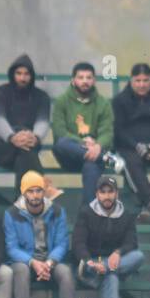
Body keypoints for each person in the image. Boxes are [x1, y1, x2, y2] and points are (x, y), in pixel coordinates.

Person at [4, 170, 75, 298]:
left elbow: (62, 243)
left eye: (38, 190)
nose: (35, 195)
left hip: (50, 260)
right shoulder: (12, 213)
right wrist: (33, 262)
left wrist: (49, 263)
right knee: (20, 270)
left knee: (65, 272)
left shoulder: (57, 211)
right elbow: (11, 247)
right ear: (24, 193)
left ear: (44, 192)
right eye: (30, 191)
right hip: (26, 260)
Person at [73, 174, 144, 298]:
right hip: (91, 265)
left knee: (138, 256)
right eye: (103, 192)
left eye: (110, 192)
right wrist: (89, 262)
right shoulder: (86, 212)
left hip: (115, 263)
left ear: (116, 194)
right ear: (97, 194)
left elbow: (132, 242)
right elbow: (78, 243)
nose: (107, 196)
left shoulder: (126, 215)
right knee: (111, 278)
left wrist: (118, 253)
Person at [51, 62, 121, 204]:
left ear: (94, 80)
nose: (85, 81)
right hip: (70, 155)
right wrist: (83, 142)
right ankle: (106, 158)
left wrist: (98, 146)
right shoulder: (62, 101)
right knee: (61, 143)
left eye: (88, 78)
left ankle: (89, 213)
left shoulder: (103, 103)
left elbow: (107, 132)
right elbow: (59, 132)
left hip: (95, 155)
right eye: (81, 77)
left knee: (91, 165)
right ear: (73, 80)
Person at [111, 62, 150, 219]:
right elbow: (119, 130)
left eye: (145, 80)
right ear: (131, 81)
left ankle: (149, 205)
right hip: (130, 147)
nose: (142, 84)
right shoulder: (119, 101)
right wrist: (137, 146)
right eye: (138, 81)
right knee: (131, 164)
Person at [0, 54, 50, 183]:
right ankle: (41, 190)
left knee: (24, 156)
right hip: (3, 146)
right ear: (12, 74)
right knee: (27, 153)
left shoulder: (41, 97)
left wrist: (35, 137)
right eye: (19, 73)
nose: (22, 78)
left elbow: (42, 123)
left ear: (31, 75)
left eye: (26, 74)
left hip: (30, 144)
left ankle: (21, 200)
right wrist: (12, 137)